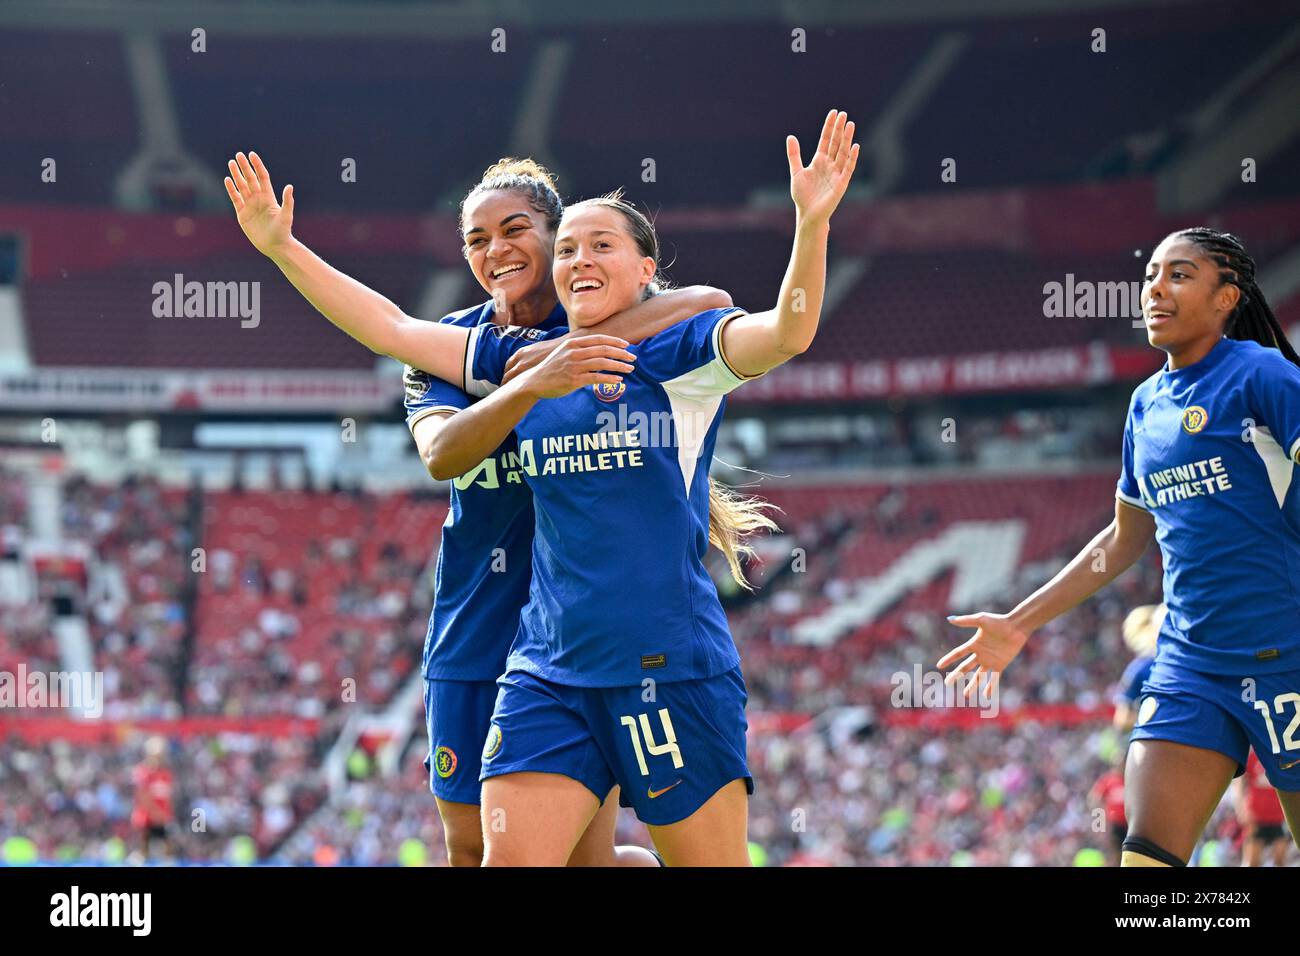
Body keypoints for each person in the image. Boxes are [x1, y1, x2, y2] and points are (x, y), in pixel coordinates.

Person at [224, 151, 728, 866]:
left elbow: (710, 303)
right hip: (479, 617)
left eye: (515, 230)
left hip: (580, 634)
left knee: (564, 855)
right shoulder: (466, 349)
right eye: (477, 239)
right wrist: (281, 247)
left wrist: (576, 347)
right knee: (469, 846)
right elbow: (433, 428)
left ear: (558, 238)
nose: (495, 251)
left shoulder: (608, 320)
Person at [417, 109, 859, 865]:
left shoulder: (682, 354)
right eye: (565, 250)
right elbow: (399, 338)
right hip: (548, 671)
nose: (578, 259)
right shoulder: (529, 367)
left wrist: (811, 225)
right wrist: (281, 248)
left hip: (671, 671)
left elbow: (787, 333)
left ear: (646, 268)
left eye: (601, 245)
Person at [941, 227, 1300, 866]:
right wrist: (1018, 624)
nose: (1156, 288)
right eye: (1151, 275)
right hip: (1193, 667)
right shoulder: (1145, 406)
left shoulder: (1263, 376)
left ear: (1227, 297)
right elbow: (1123, 539)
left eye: (1181, 274)